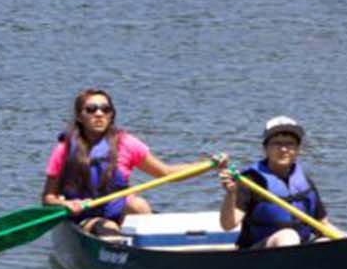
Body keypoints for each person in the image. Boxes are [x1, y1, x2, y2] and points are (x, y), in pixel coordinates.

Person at [41, 89, 226, 237]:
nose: (99, 114)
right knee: (109, 229)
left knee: (139, 205)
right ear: (80, 117)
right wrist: (67, 205)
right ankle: (114, 243)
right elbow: (48, 198)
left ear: (111, 115)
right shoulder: (64, 149)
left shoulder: (126, 143)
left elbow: (167, 172)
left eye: (105, 109)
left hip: (116, 208)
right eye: (91, 109)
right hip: (85, 215)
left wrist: (208, 164)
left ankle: (148, 248)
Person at [218, 116, 336, 249]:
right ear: (265, 149)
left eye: (289, 144)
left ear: (298, 150)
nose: (283, 149)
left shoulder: (305, 181)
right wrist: (230, 194)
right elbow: (228, 225)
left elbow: (323, 225)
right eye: (277, 143)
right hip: (257, 254)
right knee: (288, 236)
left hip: (299, 252)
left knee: (335, 241)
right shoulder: (251, 180)